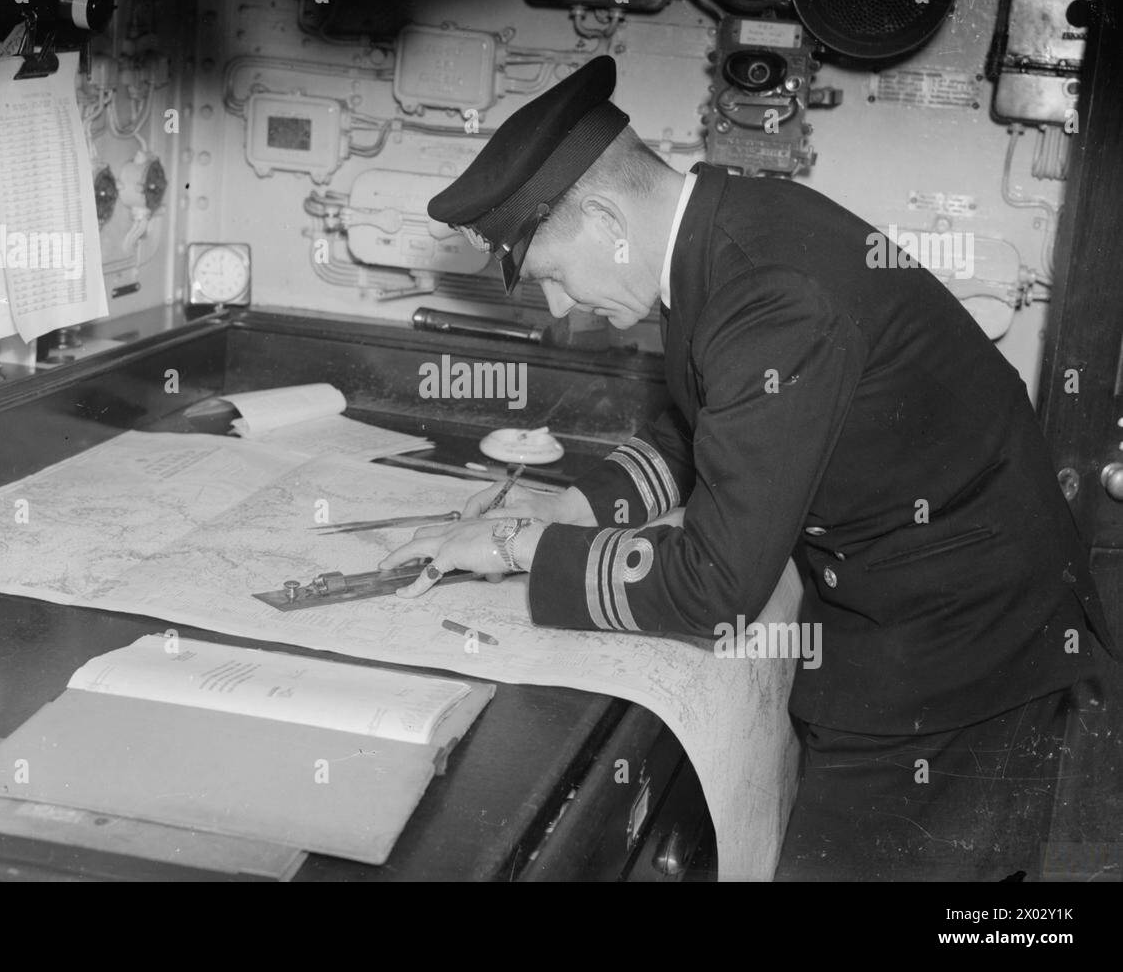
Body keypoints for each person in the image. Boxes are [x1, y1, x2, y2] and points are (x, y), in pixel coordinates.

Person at [379, 55, 1114, 881]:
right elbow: (708, 421)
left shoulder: (768, 293)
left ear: (604, 217)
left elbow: (715, 583)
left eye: (549, 275)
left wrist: (516, 546)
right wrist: (575, 511)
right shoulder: (725, 227)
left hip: (964, 642)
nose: (559, 307)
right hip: (918, 596)